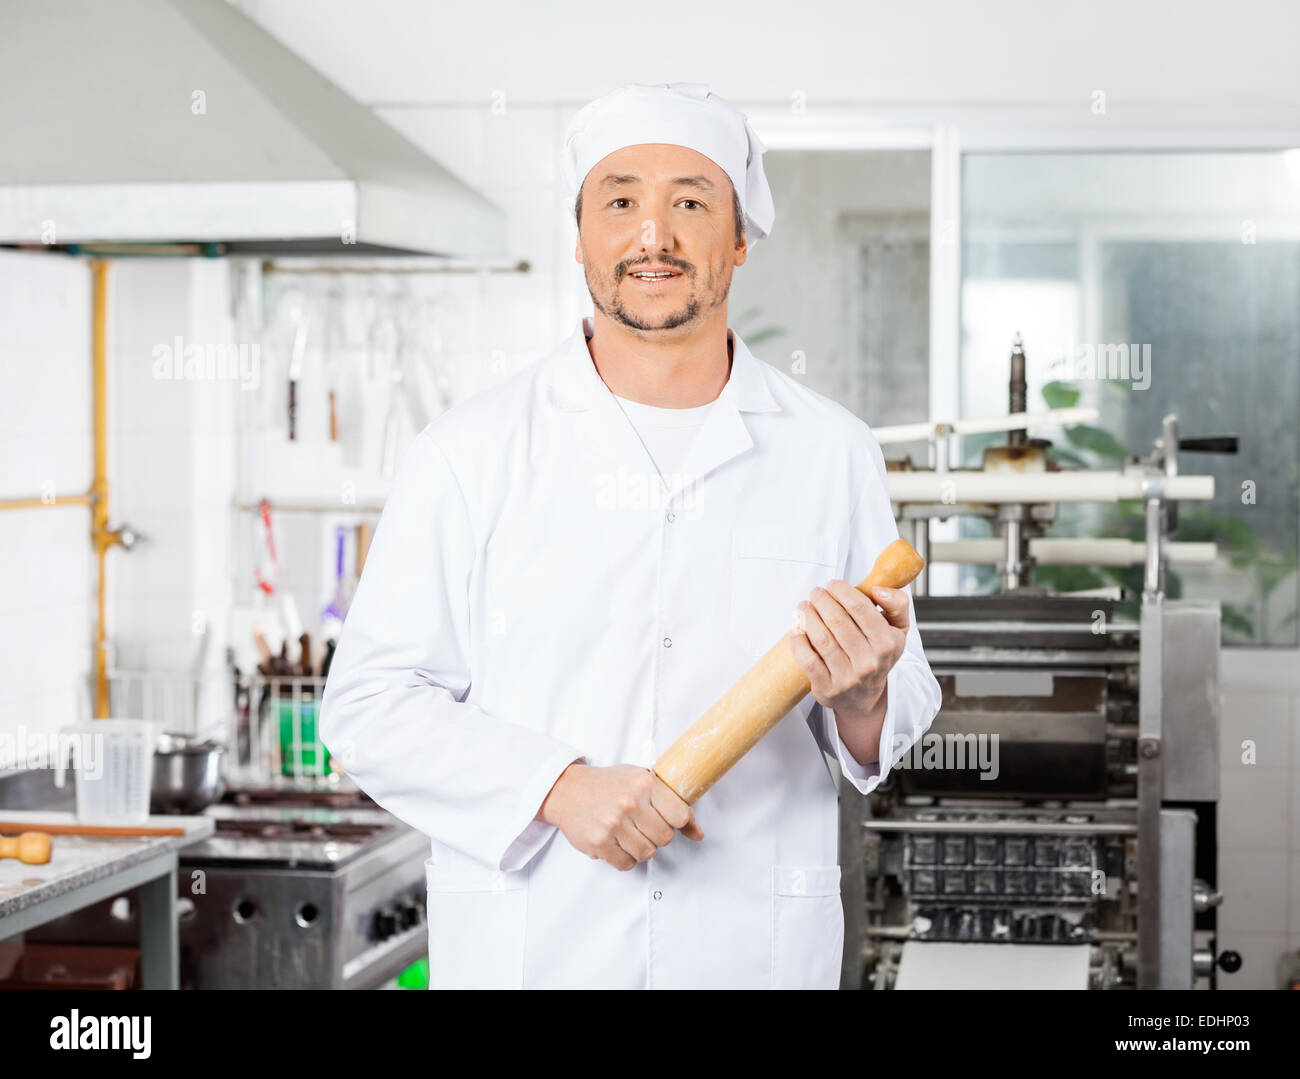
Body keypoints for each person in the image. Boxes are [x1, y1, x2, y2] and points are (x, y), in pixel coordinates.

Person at [320, 82, 942, 989]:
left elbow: (901, 709)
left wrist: (862, 698)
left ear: (739, 237)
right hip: (538, 949)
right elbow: (367, 704)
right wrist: (557, 787)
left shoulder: (831, 452)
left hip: (749, 954)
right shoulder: (469, 451)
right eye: (620, 202)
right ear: (580, 239)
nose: (654, 235)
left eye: (690, 201)